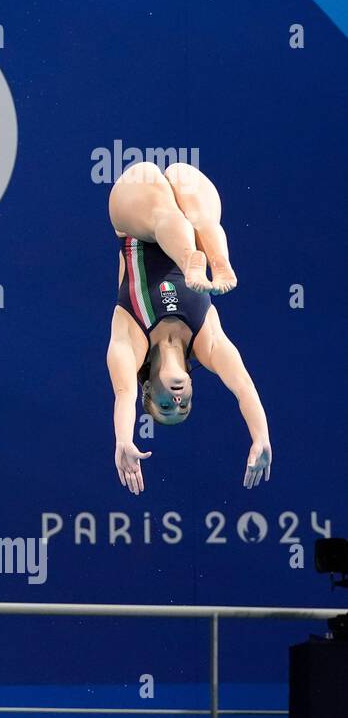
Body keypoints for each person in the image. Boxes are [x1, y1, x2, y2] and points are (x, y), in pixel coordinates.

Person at [105, 161, 271, 494]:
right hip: (190, 211)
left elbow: (124, 393)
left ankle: (192, 262)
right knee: (199, 220)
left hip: (136, 215)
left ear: (149, 391)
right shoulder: (206, 342)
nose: (177, 401)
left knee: (165, 215)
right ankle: (214, 260)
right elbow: (242, 386)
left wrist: (124, 439)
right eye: (184, 406)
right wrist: (260, 437)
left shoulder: (131, 340)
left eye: (166, 406)